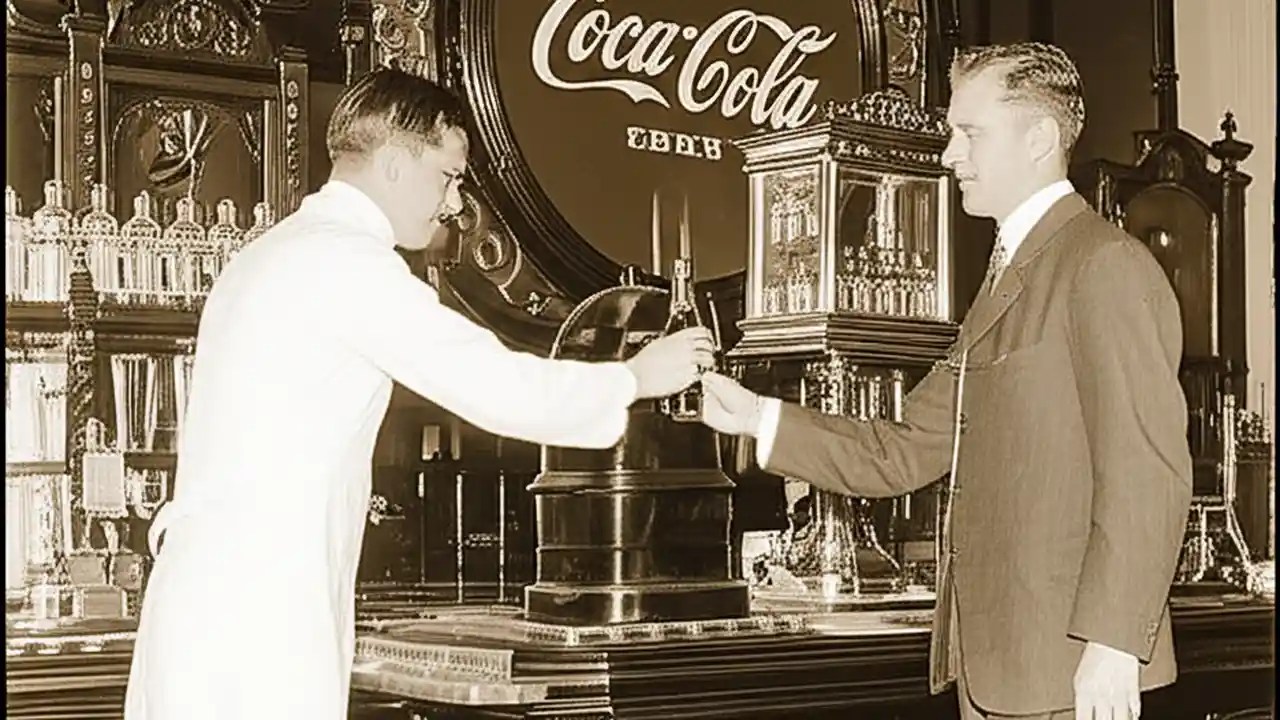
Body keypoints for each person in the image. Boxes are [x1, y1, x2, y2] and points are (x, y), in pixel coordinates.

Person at [123, 69, 716, 720]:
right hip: (258, 616)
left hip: (210, 605)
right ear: (395, 165)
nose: (455, 204)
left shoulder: (271, 253)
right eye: (449, 176)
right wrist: (637, 377)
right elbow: (493, 386)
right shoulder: (347, 263)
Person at [700, 43, 1192, 720]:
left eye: (970, 133)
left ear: (1039, 139)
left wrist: (1113, 646)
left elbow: (1147, 472)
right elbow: (906, 447)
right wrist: (758, 417)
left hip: (1070, 673)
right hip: (1002, 671)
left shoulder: (1102, 266)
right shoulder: (1010, 274)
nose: (949, 154)